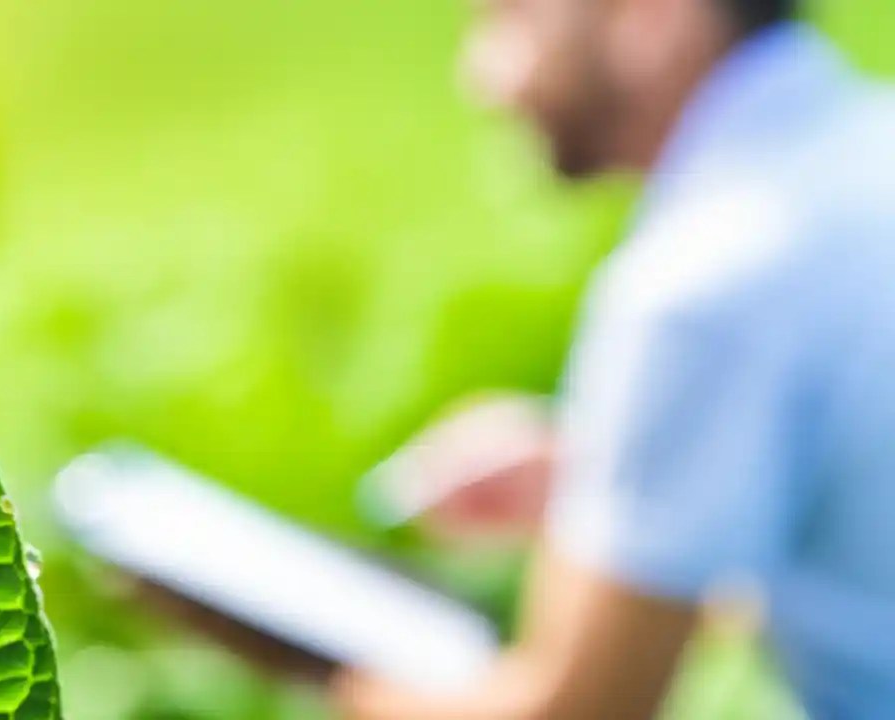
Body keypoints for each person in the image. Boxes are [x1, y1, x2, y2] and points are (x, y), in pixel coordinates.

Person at [334, 0, 895, 717]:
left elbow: (575, 712)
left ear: (651, 15)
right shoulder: (871, 147)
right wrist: (599, 482)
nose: (480, 79)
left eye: (511, 18)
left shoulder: (699, 284)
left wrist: (313, 651)